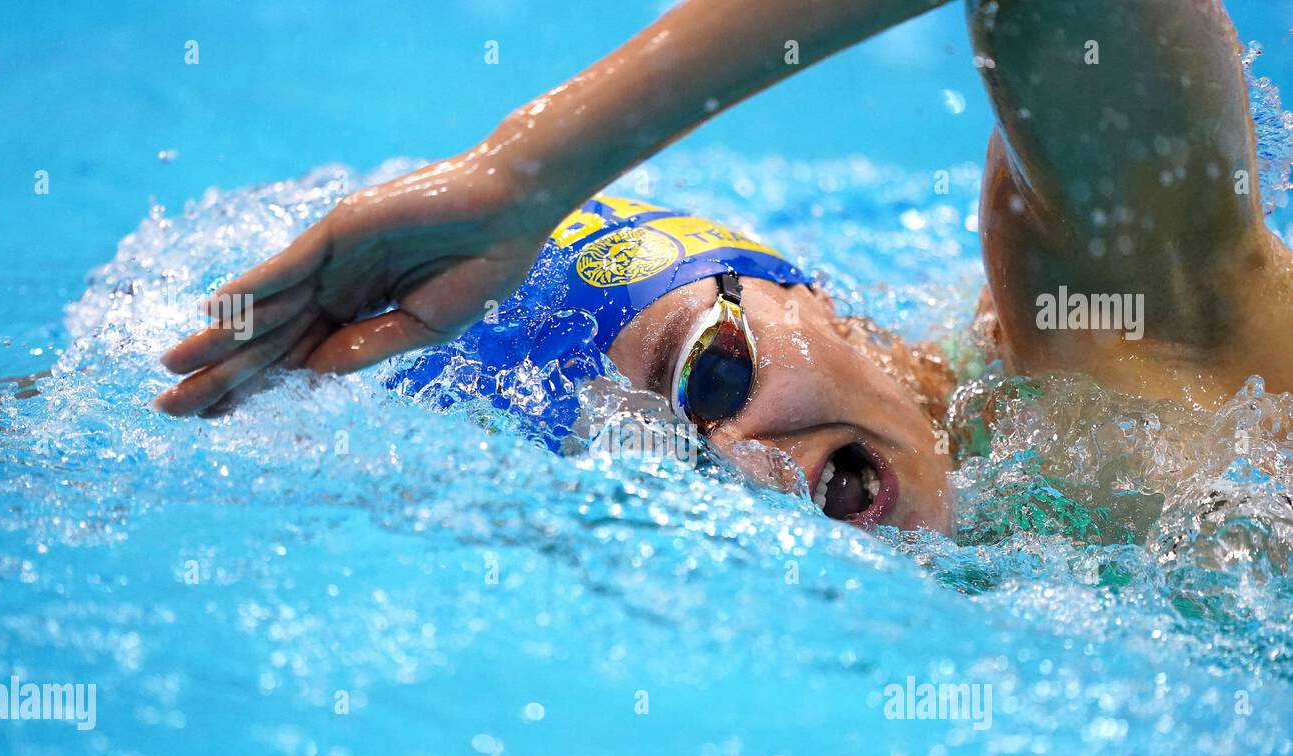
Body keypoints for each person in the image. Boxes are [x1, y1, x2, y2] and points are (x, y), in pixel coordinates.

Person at [153, 0, 1293, 537]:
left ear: (811, 298)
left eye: (705, 376)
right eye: (657, 473)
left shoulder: (1126, 333)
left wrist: (524, 173)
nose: (744, 470)